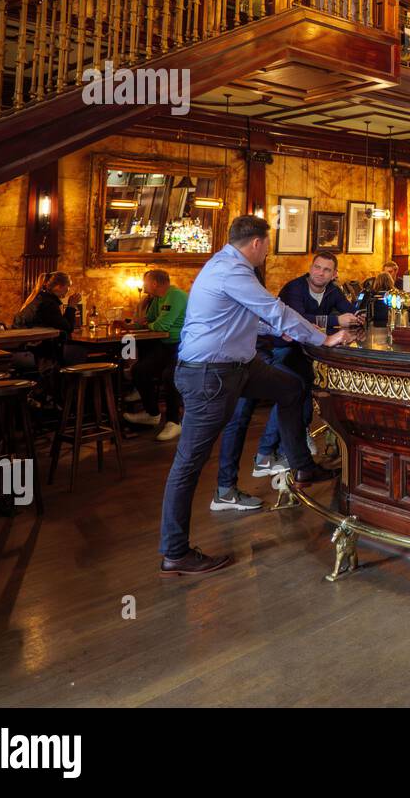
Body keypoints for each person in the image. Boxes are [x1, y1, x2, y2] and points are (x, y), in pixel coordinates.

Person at [158, 215, 353, 576]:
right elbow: (272, 309)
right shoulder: (233, 271)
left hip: (238, 367)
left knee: (291, 387)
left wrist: (291, 330)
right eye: (268, 243)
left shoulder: (227, 266)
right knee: (188, 462)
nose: (267, 250)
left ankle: (302, 467)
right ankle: (174, 551)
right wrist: (320, 337)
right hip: (210, 375)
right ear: (257, 243)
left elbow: (252, 317)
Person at [219, 251, 359, 479]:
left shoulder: (332, 291)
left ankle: (284, 454)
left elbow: (283, 321)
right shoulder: (295, 288)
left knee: (298, 386)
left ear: (334, 274)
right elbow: (293, 318)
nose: (320, 272)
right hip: (264, 351)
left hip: (275, 349)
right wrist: (330, 324)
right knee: (291, 389)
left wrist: (351, 318)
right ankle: (273, 456)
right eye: (317, 267)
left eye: (326, 269)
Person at [123, 268, 187, 441]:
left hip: (183, 346)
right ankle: (152, 413)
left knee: (169, 376)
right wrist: (132, 325)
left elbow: (161, 325)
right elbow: (146, 321)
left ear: (154, 283)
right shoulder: (157, 299)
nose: (143, 285)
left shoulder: (175, 295)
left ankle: (174, 422)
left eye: (145, 282)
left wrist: (148, 324)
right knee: (139, 369)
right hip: (165, 345)